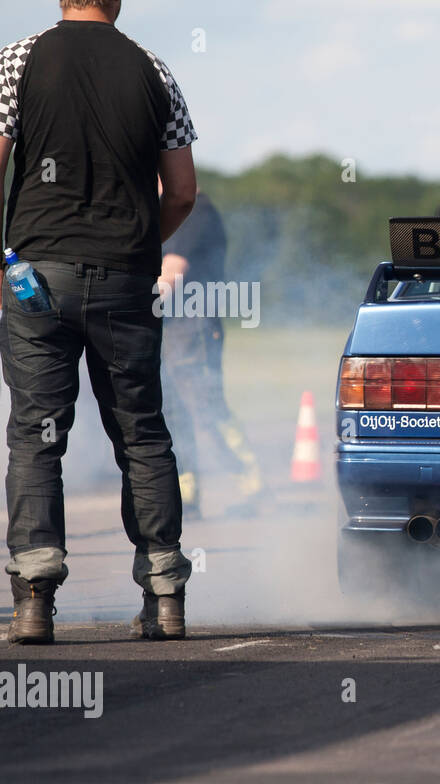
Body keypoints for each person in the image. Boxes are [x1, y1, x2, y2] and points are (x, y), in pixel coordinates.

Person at [0, 0, 197, 643]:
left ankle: (33, 599)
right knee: (141, 435)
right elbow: (184, 190)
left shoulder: (18, 60)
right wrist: (139, 248)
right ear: (119, 2)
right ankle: (164, 597)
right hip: (126, 282)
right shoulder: (154, 69)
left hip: (36, 281)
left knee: (36, 436)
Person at [157, 183, 263, 518]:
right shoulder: (175, 210)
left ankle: (252, 487)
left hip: (194, 327)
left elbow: (172, 272)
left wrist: (128, 307)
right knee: (174, 412)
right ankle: (186, 494)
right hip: (173, 326)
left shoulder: (194, 210)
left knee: (206, 408)